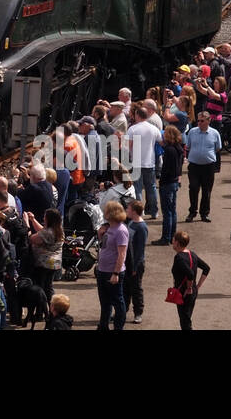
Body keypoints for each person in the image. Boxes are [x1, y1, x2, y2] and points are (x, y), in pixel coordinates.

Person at [95, 200, 129, 330]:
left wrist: (115, 273)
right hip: (102, 270)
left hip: (112, 272)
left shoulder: (120, 230)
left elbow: (122, 254)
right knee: (105, 303)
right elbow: (104, 247)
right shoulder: (109, 227)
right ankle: (103, 326)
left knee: (117, 302)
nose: (104, 212)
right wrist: (100, 235)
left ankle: (118, 327)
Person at [185, 112, 222, 222]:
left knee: (206, 191)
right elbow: (188, 146)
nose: (199, 123)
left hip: (208, 167)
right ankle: (192, 212)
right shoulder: (192, 132)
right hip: (194, 166)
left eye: (202, 121)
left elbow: (218, 148)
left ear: (208, 120)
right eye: (198, 121)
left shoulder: (215, 133)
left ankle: (204, 213)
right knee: (193, 188)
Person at [125, 105, 161, 220]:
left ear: (137, 115)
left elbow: (127, 146)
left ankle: (140, 212)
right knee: (151, 188)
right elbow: (161, 141)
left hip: (136, 162)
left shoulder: (133, 129)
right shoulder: (154, 129)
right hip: (149, 162)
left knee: (138, 188)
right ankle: (154, 212)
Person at [170, 230, 209, 330]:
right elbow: (206, 268)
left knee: (185, 322)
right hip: (192, 293)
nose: (172, 241)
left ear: (177, 243)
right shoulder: (192, 254)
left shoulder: (179, 257)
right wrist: (197, 286)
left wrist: (189, 287)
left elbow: (190, 274)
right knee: (187, 318)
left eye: (173, 240)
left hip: (184, 293)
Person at [154, 125, 184, 245]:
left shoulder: (169, 150)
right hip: (175, 182)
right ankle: (172, 236)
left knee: (167, 212)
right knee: (172, 210)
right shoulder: (178, 148)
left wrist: (161, 181)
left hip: (167, 183)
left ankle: (166, 238)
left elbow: (167, 169)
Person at [26, 207, 64, 301]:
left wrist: (27, 223)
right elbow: (42, 231)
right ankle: (52, 310)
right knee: (48, 286)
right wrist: (33, 220)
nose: (43, 218)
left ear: (49, 219)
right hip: (54, 264)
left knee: (41, 288)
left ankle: (43, 310)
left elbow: (31, 238)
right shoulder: (58, 230)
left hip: (44, 264)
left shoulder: (48, 233)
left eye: (45, 217)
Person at [124, 200, 148, 324]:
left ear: (134, 211)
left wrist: (134, 267)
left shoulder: (141, 227)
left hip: (136, 264)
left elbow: (140, 250)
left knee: (136, 289)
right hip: (127, 261)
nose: (126, 210)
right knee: (125, 288)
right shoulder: (131, 222)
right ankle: (123, 311)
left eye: (128, 208)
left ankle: (138, 313)